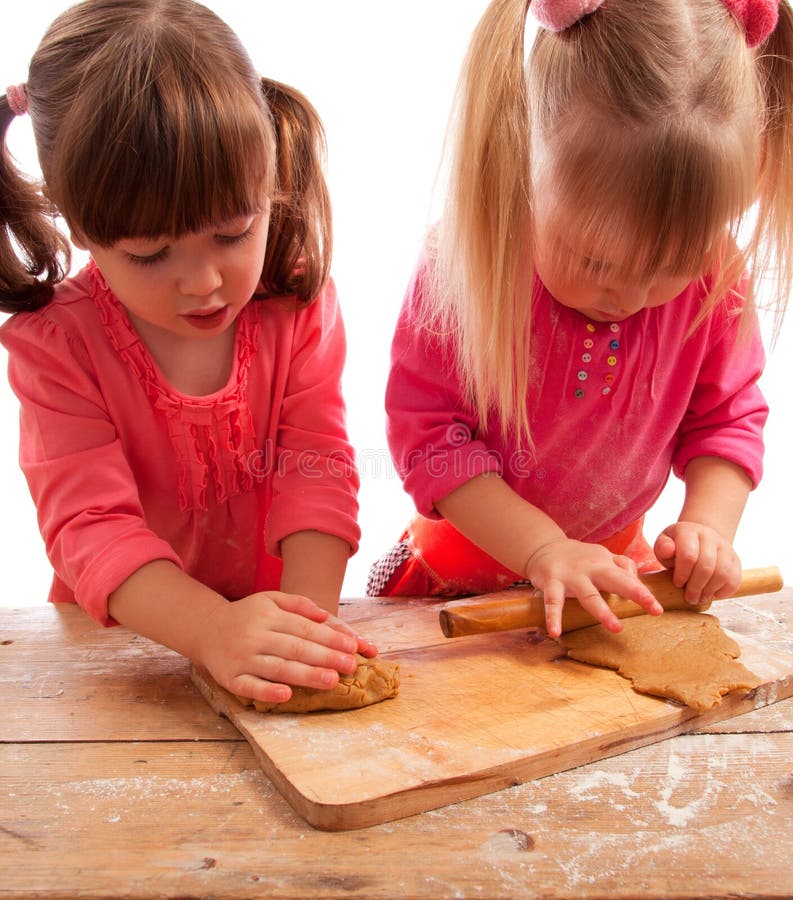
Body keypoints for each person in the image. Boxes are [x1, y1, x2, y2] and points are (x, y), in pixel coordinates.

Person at [369, 0, 793, 638]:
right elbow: (431, 441)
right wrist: (543, 550)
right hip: (456, 587)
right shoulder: (467, 261)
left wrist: (709, 527)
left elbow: (727, 418)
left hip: (611, 582)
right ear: (529, 165)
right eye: (597, 260)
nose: (630, 295)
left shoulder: (715, 281)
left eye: (670, 266)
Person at [0, 0, 376, 707]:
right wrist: (211, 631)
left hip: (267, 629)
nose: (203, 283)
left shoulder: (292, 304)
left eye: (234, 233)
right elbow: (90, 527)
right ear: (79, 224)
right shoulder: (58, 346)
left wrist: (306, 634)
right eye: (149, 253)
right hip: (120, 659)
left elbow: (315, 464)